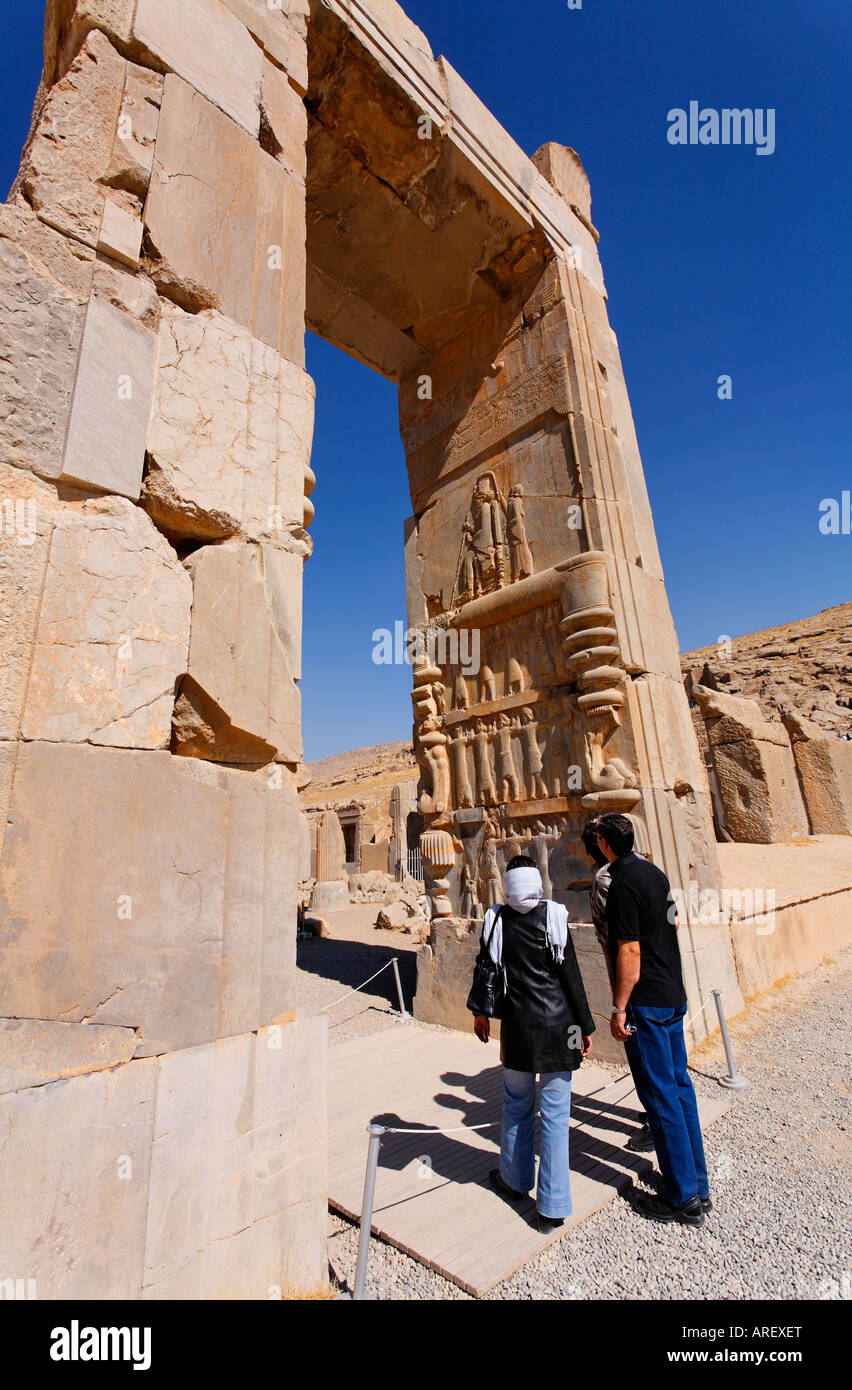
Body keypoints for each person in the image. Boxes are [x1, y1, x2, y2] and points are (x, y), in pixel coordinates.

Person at [469, 855, 595, 1234]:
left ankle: (514, 1178)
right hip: (560, 1026)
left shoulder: (496, 920)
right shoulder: (554, 917)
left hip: (519, 1028)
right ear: (537, 882)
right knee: (556, 1116)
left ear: (507, 885)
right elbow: (571, 976)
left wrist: (480, 1013)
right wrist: (585, 1026)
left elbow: (486, 969)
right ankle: (552, 1205)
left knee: (517, 1105)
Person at [596, 814, 711, 1227]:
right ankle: (697, 1184)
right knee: (680, 1088)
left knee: (660, 1096)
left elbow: (628, 951)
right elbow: (671, 923)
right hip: (672, 993)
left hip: (645, 1002)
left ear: (605, 844)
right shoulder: (654, 873)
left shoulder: (621, 884)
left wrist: (620, 1006)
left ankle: (682, 1198)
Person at [580, 819, 654, 1156]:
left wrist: (618, 1004)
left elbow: (617, 941)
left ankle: (658, 1121)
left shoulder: (605, 880)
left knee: (643, 1053)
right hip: (660, 973)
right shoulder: (648, 870)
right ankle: (661, 1112)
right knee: (662, 1060)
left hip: (631, 975)